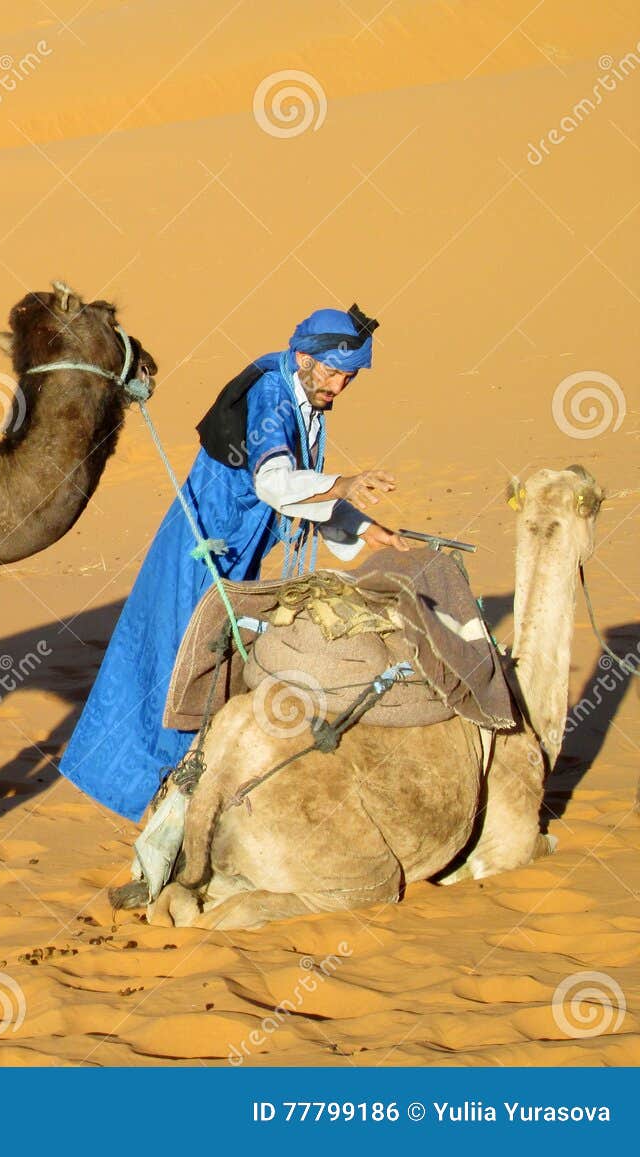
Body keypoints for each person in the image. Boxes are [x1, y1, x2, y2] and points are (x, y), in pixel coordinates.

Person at [58, 305, 411, 903]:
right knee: (179, 691)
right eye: (334, 373)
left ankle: (190, 846)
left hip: (238, 559)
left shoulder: (305, 400)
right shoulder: (273, 396)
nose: (340, 385)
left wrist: (360, 525)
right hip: (200, 556)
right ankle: (160, 857)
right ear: (305, 359)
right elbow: (275, 484)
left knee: (215, 689)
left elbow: (298, 493)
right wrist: (345, 487)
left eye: (348, 377)